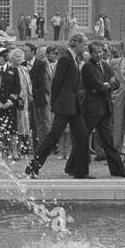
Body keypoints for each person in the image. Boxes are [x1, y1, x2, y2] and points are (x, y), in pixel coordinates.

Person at [26, 34, 91, 179]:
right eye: (84, 44)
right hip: (64, 106)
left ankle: (78, 170)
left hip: (72, 105)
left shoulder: (72, 58)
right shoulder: (65, 58)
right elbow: (56, 83)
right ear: (76, 43)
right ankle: (33, 167)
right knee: (53, 137)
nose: (85, 47)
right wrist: (54, 104)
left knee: (82, 135)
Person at [81, 40, 125, 177]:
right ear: (90, 53)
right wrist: (107, 84)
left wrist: (107, 85)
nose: (99, 54)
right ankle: (77, 168)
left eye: (100, 52)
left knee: (108, 141)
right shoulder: (87, 67)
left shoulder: (105, 65)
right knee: (83, 138)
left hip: (105, 108)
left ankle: (118, 170)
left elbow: (117, 83)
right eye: (96, 52)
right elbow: (99, 86)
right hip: (91, 109)